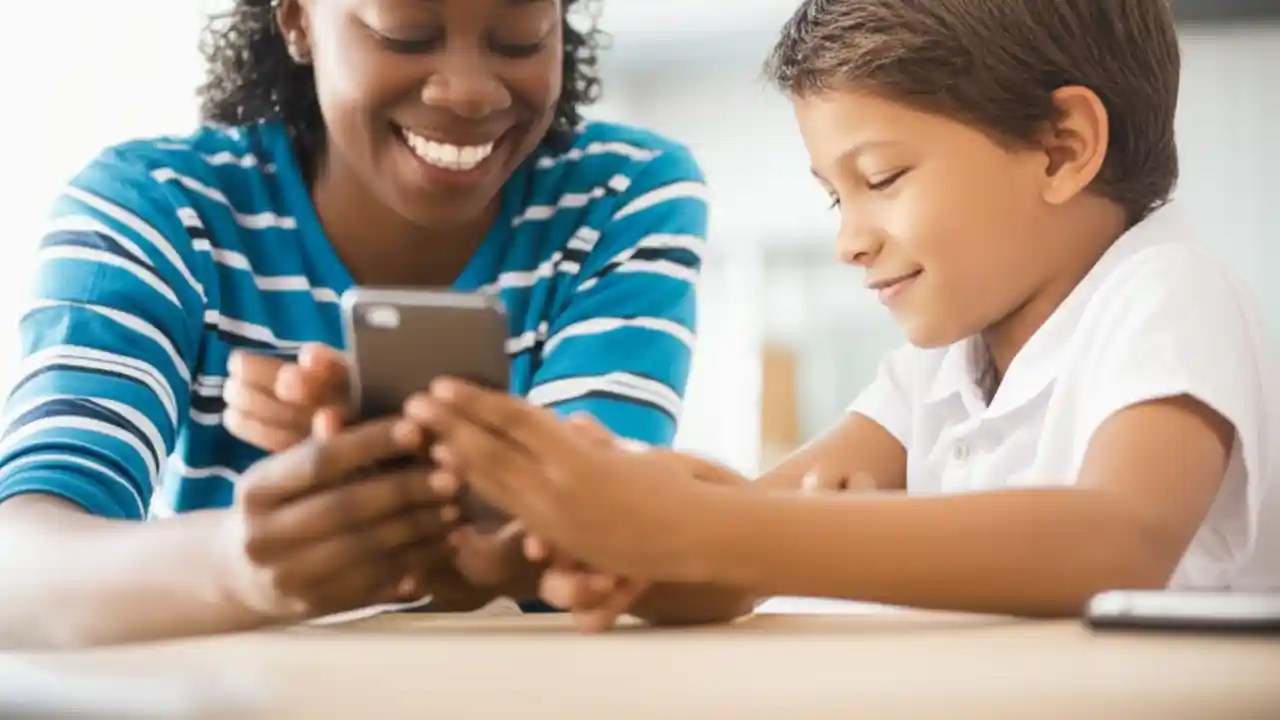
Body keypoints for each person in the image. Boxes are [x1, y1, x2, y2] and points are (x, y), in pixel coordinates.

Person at [403, 0, 1280, 631]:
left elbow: (1116, 543)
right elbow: (748, 530)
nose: (850, 243)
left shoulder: (1163, 291)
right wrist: (571, 535)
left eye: (883, 179)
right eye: (834, 198)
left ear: (1062, 148)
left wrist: (718, 532)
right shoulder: (942, 366)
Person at [0, 0, 708, 648]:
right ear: (296, 19)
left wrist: (420, 466)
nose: (468, 89)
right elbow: (20, 564)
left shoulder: (620, 196)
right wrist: (237, 565)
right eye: (406, 32)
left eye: (520, 36)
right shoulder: (158, 208)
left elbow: (607, 533)